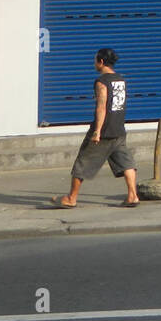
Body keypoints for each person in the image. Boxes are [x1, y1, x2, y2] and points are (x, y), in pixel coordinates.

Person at [51, 48, 138, 207]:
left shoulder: (101, 81)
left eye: (95, 60)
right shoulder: (121, 80)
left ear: (101, 62)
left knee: (82, 163)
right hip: (118, 129)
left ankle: (71, 198)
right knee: (126, 162)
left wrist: (97, 131)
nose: (94, 63)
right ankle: (132, 196)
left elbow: (101, 107)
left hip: (104, 131)